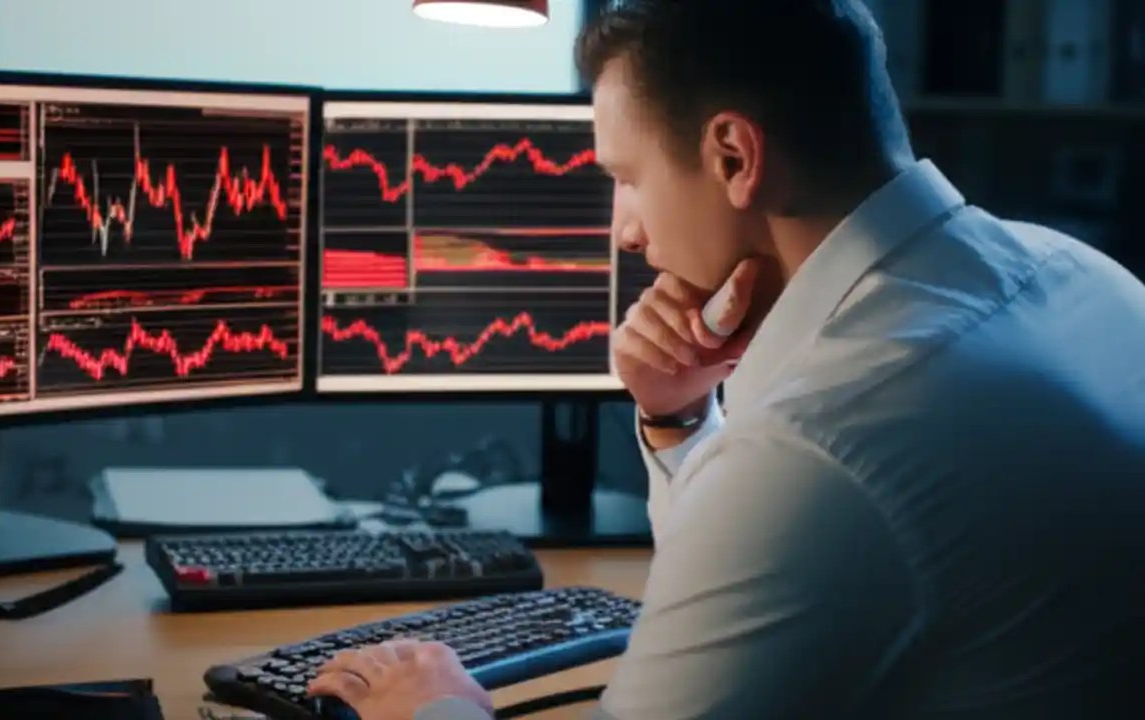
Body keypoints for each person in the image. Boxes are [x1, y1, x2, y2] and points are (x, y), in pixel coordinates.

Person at [307, 1, 1145, 717]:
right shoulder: (1086, 276)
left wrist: (435, 707)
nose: (625, 231)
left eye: (627, 177)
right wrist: (678, 420)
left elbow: (795, 501)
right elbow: (760, 578)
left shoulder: (819, 447)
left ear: (735, 159)